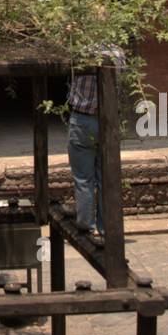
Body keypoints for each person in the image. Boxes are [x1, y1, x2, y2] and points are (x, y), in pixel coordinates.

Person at [64, 45, 125, 246]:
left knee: (83, 177)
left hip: (82, 120)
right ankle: (107, 227)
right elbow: (121, 84)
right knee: (105, 177)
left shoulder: (79, 51)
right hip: (107, 120)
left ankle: (85, 224)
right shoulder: (117, 53)